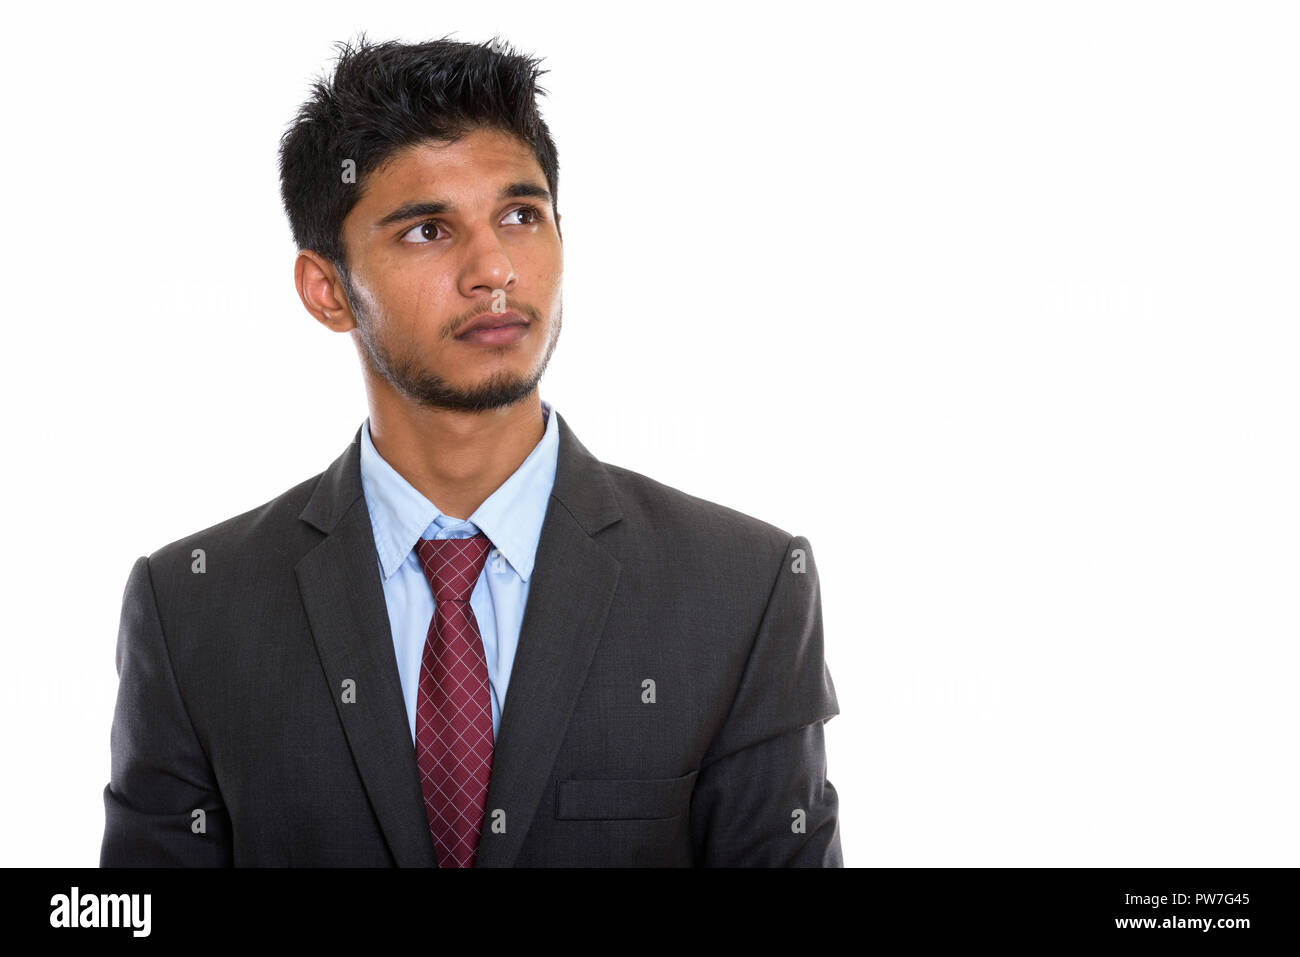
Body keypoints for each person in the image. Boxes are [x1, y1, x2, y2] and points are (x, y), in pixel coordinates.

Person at [99, 33, 842, 867]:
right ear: (329, 290)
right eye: (427, 230)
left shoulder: (741, 590)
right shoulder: (193, 607)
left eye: (520, 216)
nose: (494, 269)